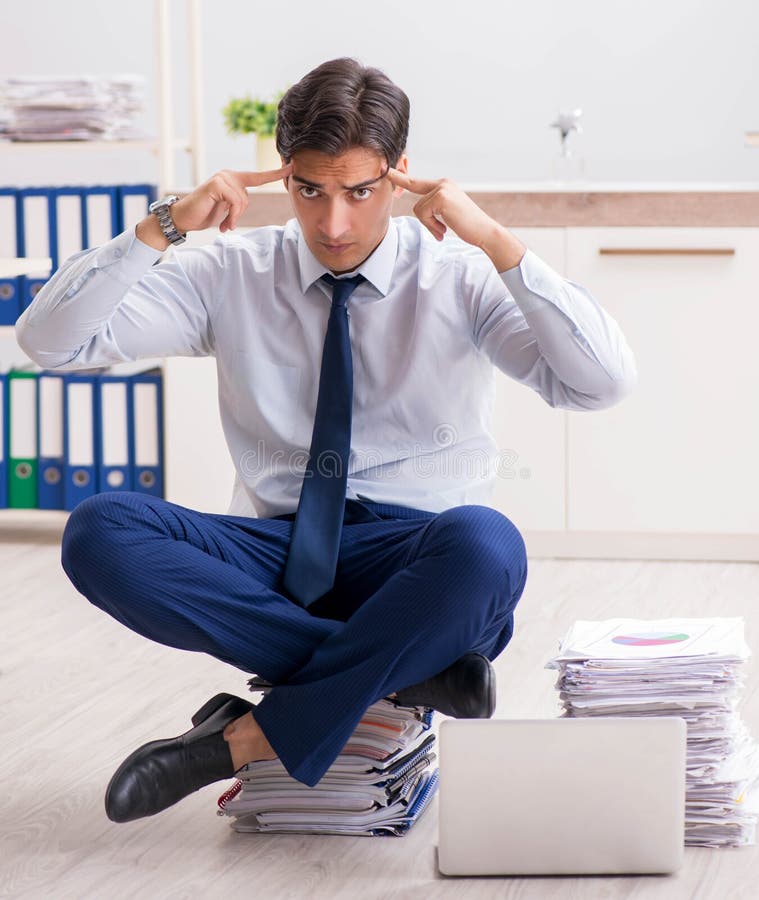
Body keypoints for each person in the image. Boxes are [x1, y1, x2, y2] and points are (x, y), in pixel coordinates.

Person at [16, 57, 637, 824]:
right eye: (310, 191)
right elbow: (50, 344)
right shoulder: (230, 272)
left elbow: (598, 382)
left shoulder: (456, 278)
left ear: (400, 174)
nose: (333, 223)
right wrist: (162, 225)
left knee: (485, 545)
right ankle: (413, 673)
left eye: (359, 191)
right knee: (99, 532)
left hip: (415, 561)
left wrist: (492, 238)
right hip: (276, 555)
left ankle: (236, 742)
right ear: (284, 178)